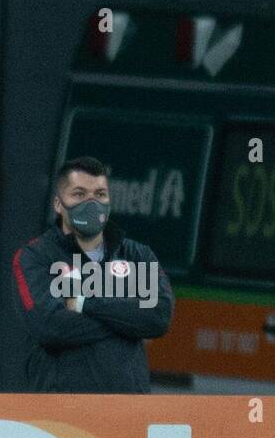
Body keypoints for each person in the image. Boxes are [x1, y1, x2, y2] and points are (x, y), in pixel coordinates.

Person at [11, 156, 173, 393]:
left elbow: (159, 317)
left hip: (128, 411)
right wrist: (127, 321)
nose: (91, 203)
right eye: (79, 194)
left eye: (100, 195)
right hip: (61, 414)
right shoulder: (35, 257)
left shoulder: (137, 255)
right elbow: (48, 326)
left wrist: (82, 303)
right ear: (58, 204)